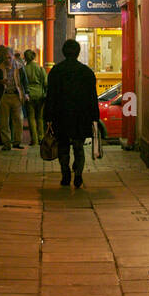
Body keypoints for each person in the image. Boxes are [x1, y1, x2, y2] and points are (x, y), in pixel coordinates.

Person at [43, 38, 99, 188]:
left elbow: (51, 96)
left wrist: (47, 117)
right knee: (78, 147)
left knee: (63, 147)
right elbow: (92, 97)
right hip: (81, 117)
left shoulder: (56, 71)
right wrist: (95, 117)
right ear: (78, 53)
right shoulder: (86, 72)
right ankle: (79, 175)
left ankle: (65, 174)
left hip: (61, 116)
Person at [0, 44, 29, 150]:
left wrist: (26, 93)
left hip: (16, 95)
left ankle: (17, 141)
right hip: (4, 96)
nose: (7, 60)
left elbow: (24, 81)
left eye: (9, 57)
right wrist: (0, 82)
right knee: (4, 121)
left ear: (13, 56)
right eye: (5, 57)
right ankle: (6, 143)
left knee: (18, 119)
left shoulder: (19, 67)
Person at [23, 48, 48, 145]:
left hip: (29, 95)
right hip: (40, 95)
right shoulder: (40, 68)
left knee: (31, 118)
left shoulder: (24, 69)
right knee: (40, 118)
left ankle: (34, 139)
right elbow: (45, 82)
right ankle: (41, 137)